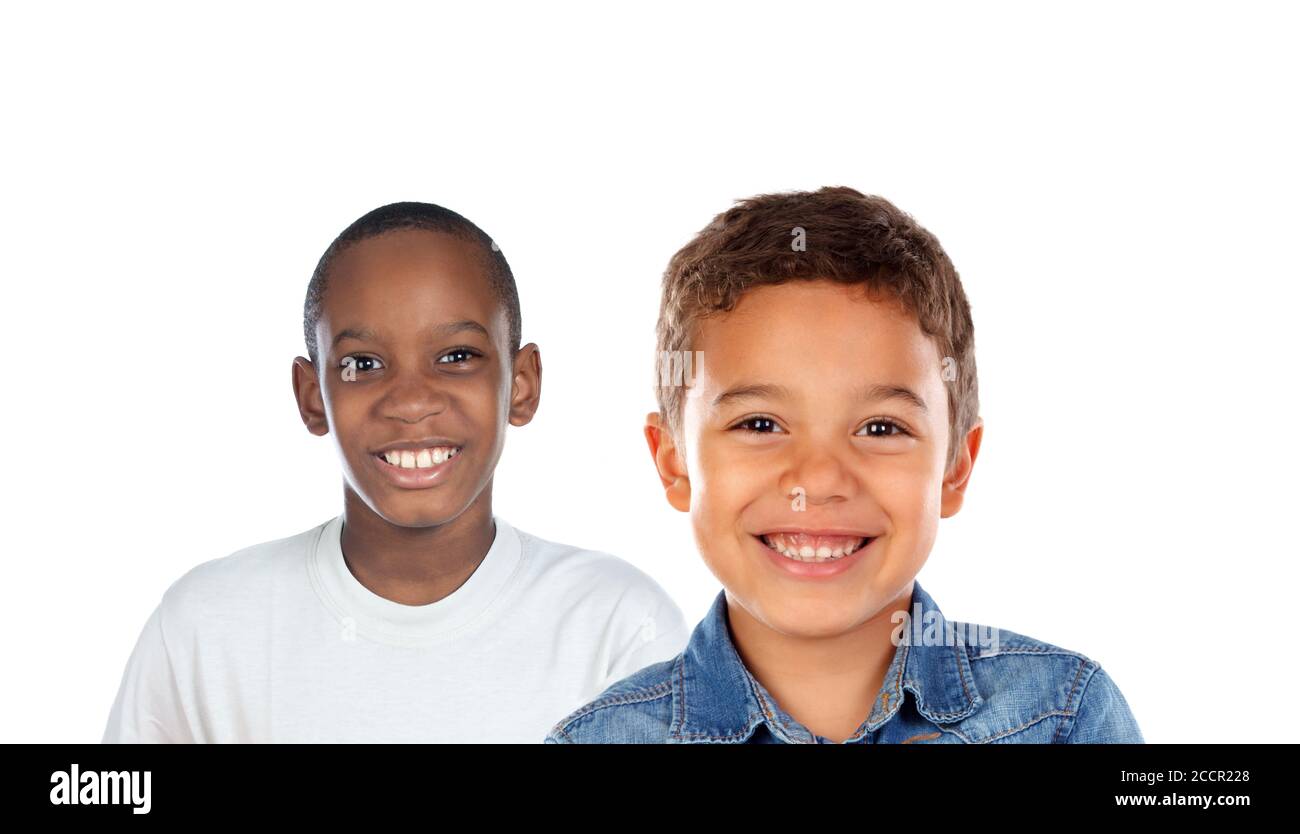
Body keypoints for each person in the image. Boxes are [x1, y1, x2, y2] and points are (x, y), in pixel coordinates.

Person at [545, 187, 1143, 743]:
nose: (819, 480)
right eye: (760, 425)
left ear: (954, 468)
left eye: (881, 428)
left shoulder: (1065, 717)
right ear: (673, 461)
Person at [102, 201, 689, 742]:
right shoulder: (207, 626)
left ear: (523, 384)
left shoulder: (619, 627)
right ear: (312, 397)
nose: (410, 401)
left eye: (457, 357)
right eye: (363, 363)